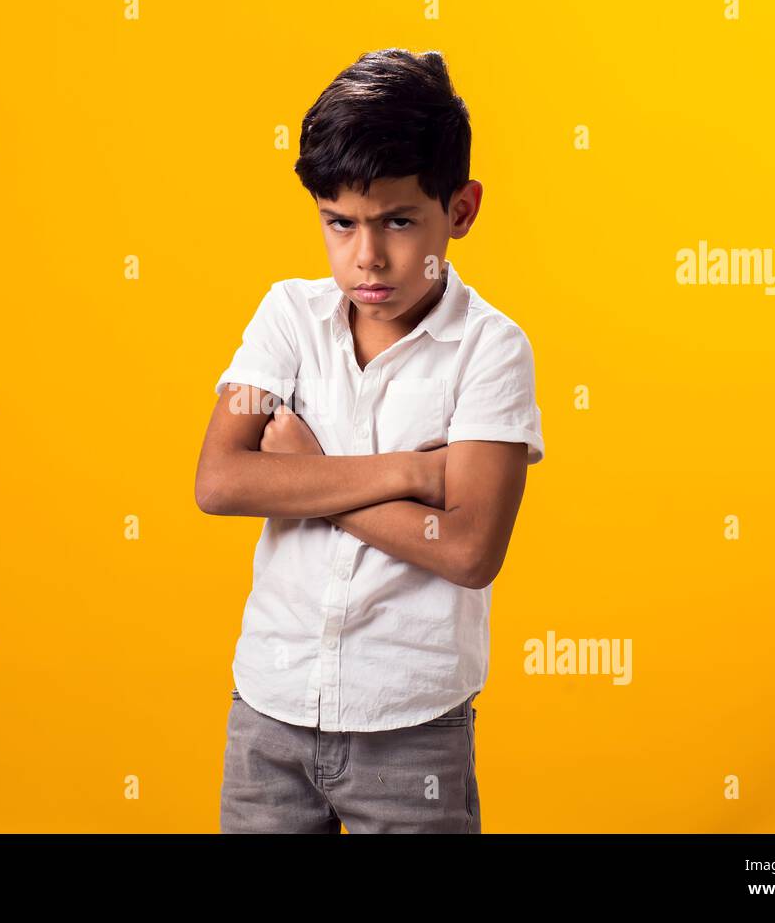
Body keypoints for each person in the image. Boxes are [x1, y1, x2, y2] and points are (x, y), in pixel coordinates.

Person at [195, 48, 545, 833]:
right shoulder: (287, 319)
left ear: (459, 211)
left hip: (412, 729)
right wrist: (402, 474)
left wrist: (309, 473)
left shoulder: (492, 351)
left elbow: (467, 550)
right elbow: (221, 480)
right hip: (269, 716)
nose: (367, 256)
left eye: (397, 221)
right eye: (339, 223)